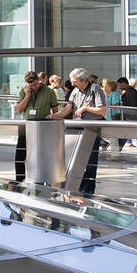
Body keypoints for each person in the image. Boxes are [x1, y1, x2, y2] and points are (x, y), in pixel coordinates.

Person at [55, 67, 107, 195]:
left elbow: (102, 111)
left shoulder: (96, 90)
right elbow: (68, 109)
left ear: (84, 80)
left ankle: (89, 192)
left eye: (75, 81)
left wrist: (85, 108)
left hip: (92, 131)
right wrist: (54, 116)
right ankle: (77, 188)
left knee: (90, 163)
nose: (72, 84)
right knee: (73, 161)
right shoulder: (74, 91)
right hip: (76, 131)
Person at [12, 70, 58, 183]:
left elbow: (55, 110)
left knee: (41, 156)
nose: (33, 87)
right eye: (30, 85)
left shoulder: (49, 91)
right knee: (19, 156)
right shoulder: (24, 91)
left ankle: (41, 181)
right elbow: (19, 109)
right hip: (27, 125)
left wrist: (52, 120)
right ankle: (19, 181)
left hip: (43, 126)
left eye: (35, 85)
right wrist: (27, 95)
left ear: (39, 80)